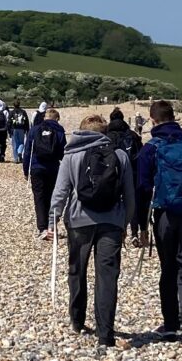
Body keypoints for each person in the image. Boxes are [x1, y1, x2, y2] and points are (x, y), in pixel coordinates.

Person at [50, 111, 138, 347]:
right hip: (111, 222)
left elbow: (61, 192)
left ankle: (77, 319)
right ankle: (105, 333)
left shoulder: (72, 155)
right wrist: (125, 224)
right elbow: (130, 196)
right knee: (107, 276)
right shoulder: (120, 155)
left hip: (79, 221)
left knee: (77, 270)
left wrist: (53, 220)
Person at [134, 100, 182, 345]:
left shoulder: (151, 148)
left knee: (168, 268)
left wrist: (140, 226)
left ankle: (170, 324)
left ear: (153, 120)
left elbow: (143, 188)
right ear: (174, 117)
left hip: (165, 213)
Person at [27, 106, 68, 238]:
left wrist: (26, 169)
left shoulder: (34, 129)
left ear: (45, 117)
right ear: (57, 119)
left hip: (36, 167)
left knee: (39, 197)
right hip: (53, 168)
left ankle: (42, 228)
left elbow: (28, 151)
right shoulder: (60, 130)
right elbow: (63, 153)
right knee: (52, 197)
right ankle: (52, 226)